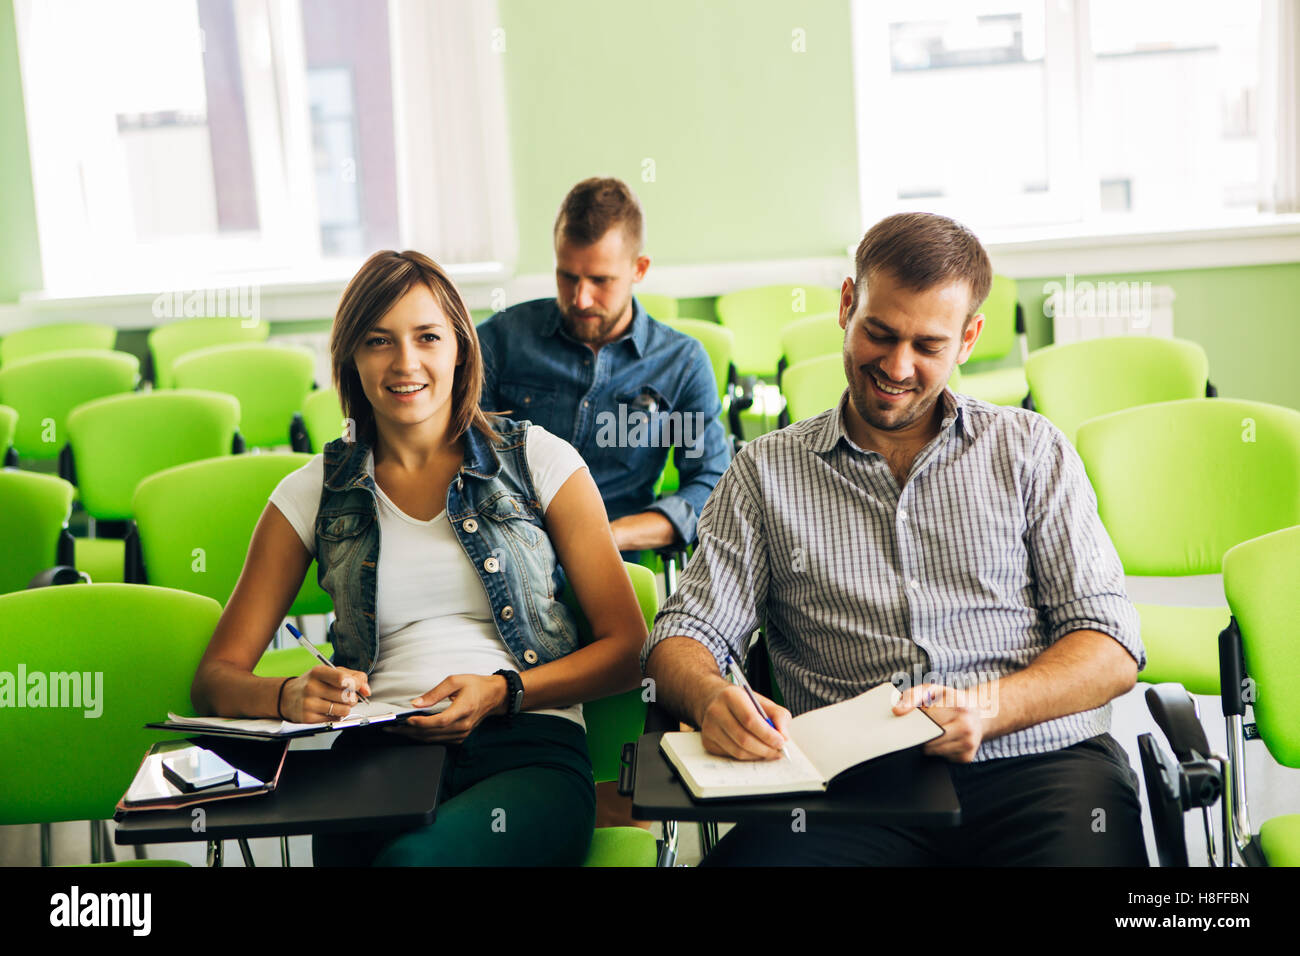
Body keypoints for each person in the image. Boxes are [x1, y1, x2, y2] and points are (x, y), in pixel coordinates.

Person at [642, 212, 1149, 866]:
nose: (897, 366)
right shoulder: (765, 472)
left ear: (969, 340)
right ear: (848, 305)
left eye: (928, 346)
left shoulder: (1031, 453)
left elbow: (1110, 644)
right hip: (847, 788)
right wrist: (711, 697)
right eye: (880, 333)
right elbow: (683, 634)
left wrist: (991, 708)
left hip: (1039, 764)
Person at [191, 250, 647, 867]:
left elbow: (626, 647)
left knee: (414, 865)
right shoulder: (310, 491)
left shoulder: (541, 460)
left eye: (427, 337)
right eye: (378, 341)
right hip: (375, 757)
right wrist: (288, 695)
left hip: (527, 746)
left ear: (460, 347)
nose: (406, 363)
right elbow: (216, 678)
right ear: (352, 356)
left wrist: (501, 691)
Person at [476, 177, 729, 556]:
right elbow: (457, 453)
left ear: (639, 269)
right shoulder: (502, 339)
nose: (580, 298)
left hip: (615, 557)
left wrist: (608, 537)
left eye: (600, 280)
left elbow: (709, 485)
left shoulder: (681, 364)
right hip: (506, 552)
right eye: (567, 276)